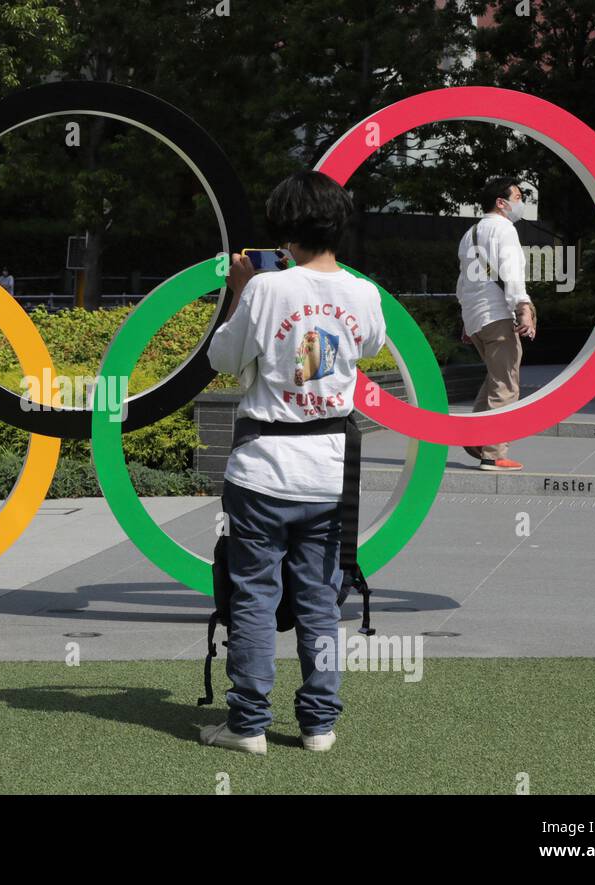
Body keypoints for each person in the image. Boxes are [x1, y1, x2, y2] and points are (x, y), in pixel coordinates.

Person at [202, 171, 386, 755]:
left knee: (252, 594)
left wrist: (239, 288)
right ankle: (319, 725)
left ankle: (248, 725)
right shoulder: (363, 292)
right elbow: (373, 345)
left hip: (263, 469)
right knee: (319, 599)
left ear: (287, 230)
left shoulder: (265, 290)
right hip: (333, 474)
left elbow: (222, 356)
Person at [455, 177, 537, 471]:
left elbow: (463, 280)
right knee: (506, 384)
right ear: (501, 202)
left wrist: (467, 320)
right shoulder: (504, 229)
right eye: (517, 196)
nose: (521, 202)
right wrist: (523, 308)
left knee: (496, 378)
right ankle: (493, 453)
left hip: (476, 318)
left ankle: (475, 438)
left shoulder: (471, 233)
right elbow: (512, 271)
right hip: (498, 315)